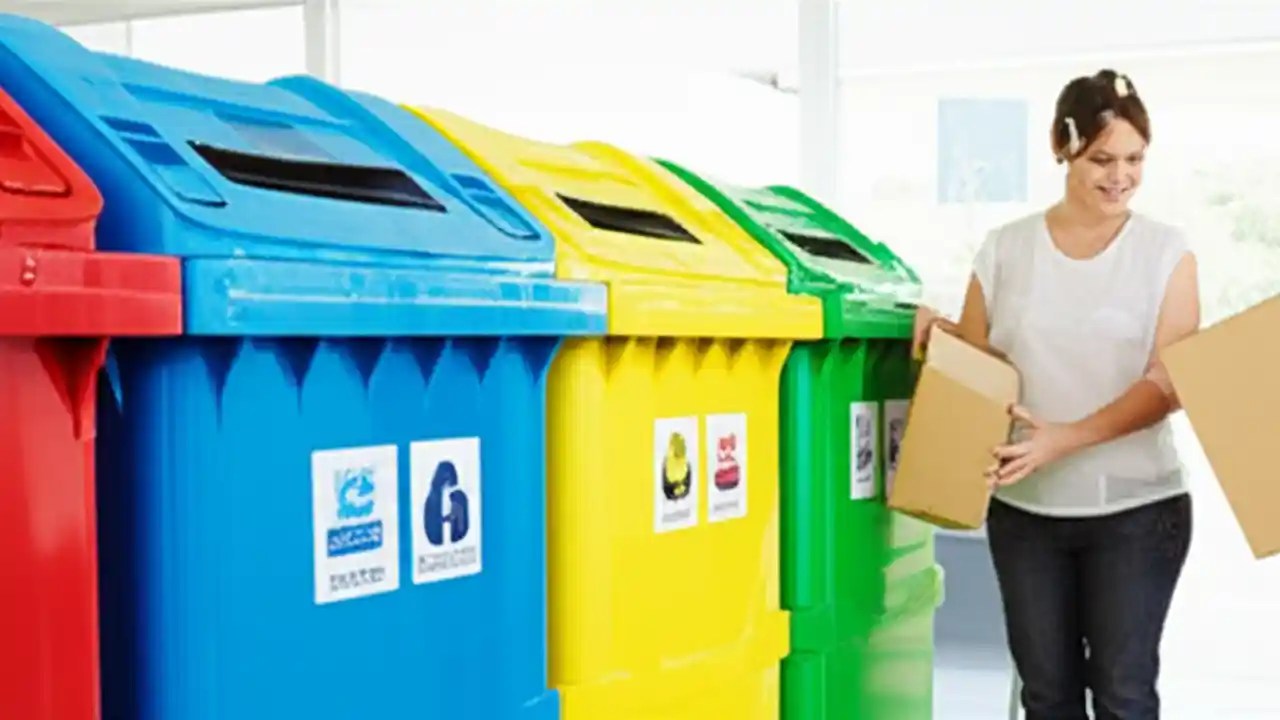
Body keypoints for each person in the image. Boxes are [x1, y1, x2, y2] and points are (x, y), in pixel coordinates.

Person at [913, 69, 1200, 719]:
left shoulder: (1165, 251)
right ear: (1061, 147)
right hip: (1026, 515)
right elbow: (983, 369)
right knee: (1046, 698)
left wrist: (1062, 440)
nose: (1120, 176)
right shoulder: (1005, 250)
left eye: (1134, 159)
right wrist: (941, 338)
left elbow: (1168, 382)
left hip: (1138, 511)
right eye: (1103, 159)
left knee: (1124, 696)